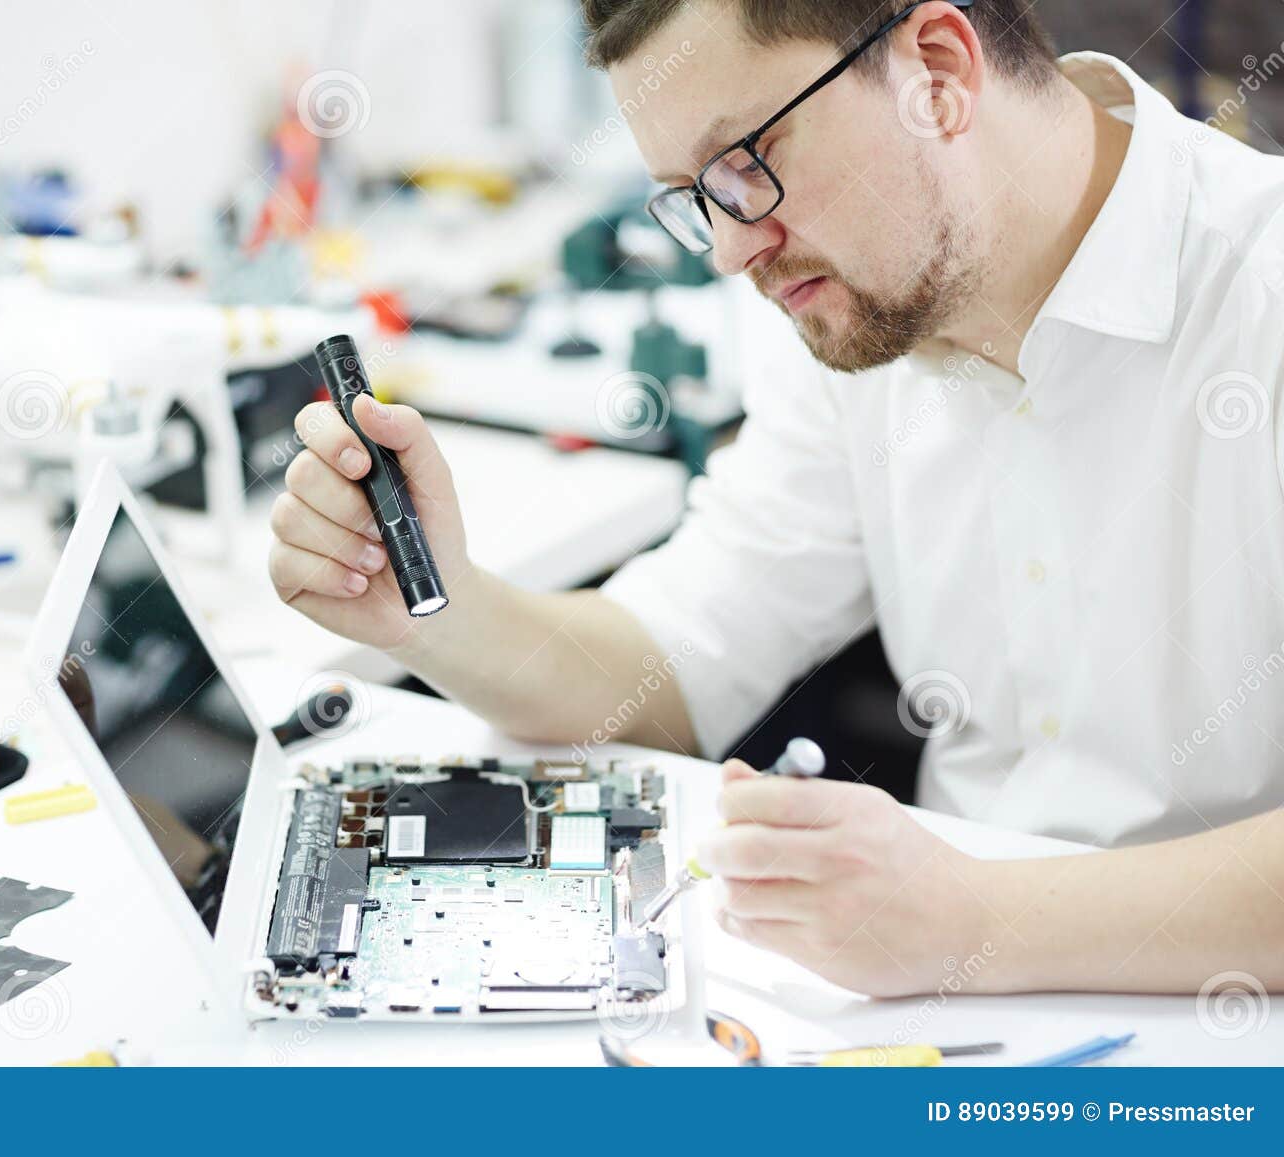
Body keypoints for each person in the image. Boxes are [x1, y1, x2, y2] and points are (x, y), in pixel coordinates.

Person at [268, 0, 1284, 998]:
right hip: (944, 1012)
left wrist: (973, 920)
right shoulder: (855, 304)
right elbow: (666, 670)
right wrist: (434, 603)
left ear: (936, 71)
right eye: (691, 197)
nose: (727, 250)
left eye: (746, 163)